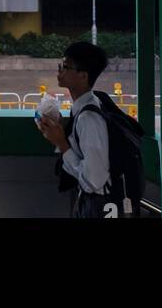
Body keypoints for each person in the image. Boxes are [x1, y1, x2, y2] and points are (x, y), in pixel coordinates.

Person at [38, 41, 113, 219]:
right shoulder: (85, 107)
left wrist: (62, 144)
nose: (60, 71)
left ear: (83, 76)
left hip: (99, 207)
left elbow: (94, 180)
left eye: (66, 67)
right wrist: (64, 129)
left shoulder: (89, 119)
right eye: (60, 65)